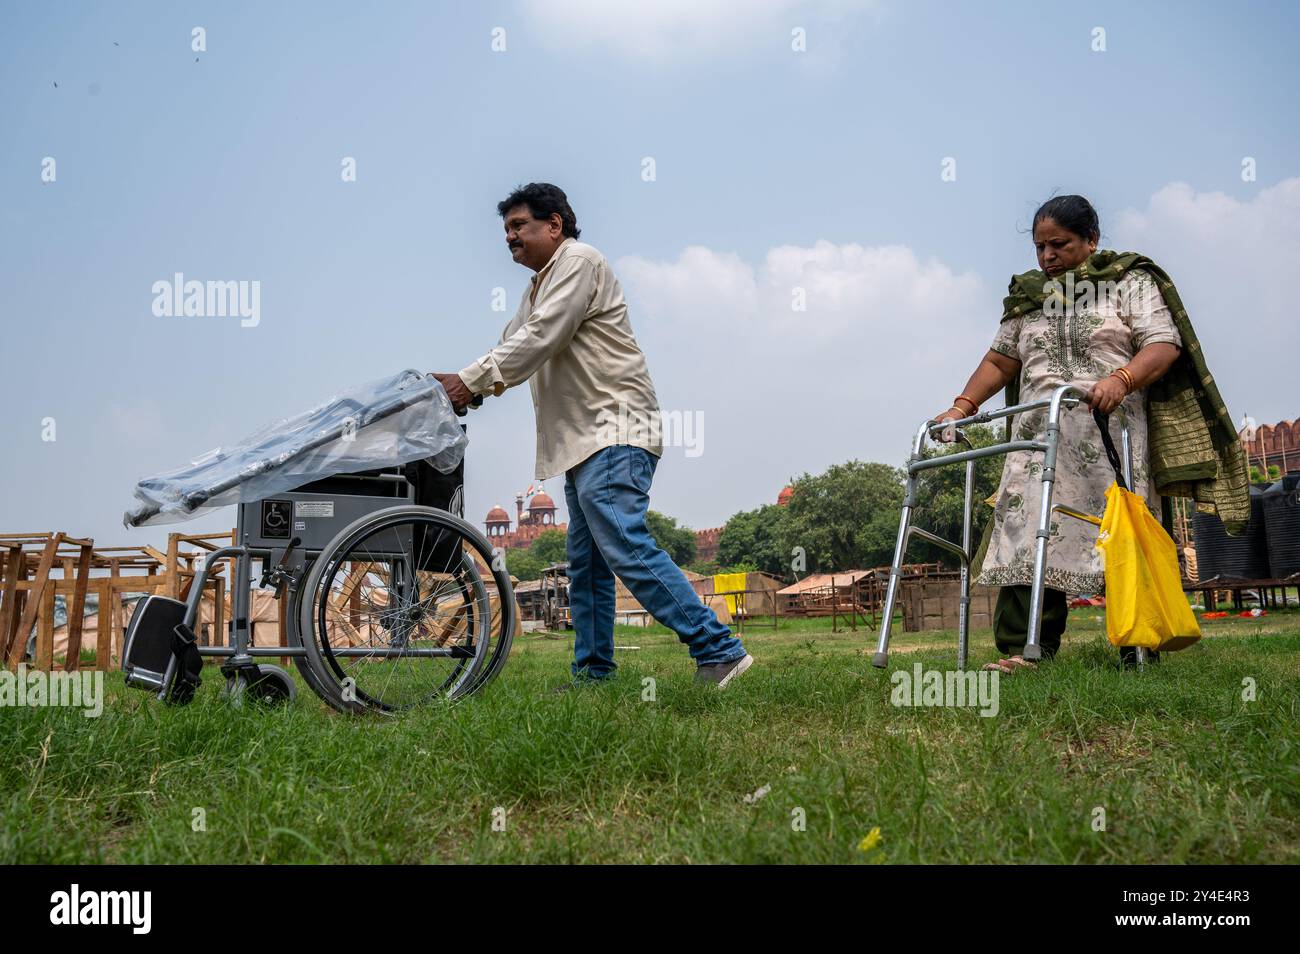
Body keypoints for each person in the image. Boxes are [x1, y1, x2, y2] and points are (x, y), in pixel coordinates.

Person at [432, 183, 752, 689]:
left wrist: (468, 382)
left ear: (554, 225)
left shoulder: (579, 262)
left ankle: (718, 648)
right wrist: (461, 387)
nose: (510, 238)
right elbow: (513, 343)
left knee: (624, 541)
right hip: (585, 443)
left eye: (520, 226)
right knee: (587, 567)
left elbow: (542, 338)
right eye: (506, 230)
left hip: (615, 429)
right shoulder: (538, 287)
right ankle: (593, 672)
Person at [935, 194, 1248, 673]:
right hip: (1038, 436)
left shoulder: (1129, 282)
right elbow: (1001, 358)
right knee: (1028, 533)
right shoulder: (1032, 295)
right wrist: (961, 406)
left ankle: (1139, 648)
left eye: (1058, 245)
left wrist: (1121, 380)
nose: (1047, 257)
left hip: (1109, 436)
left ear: (1092, 240)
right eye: (1039, 247)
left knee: (1120, 535)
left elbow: (1163, 345)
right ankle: (1025, 651)